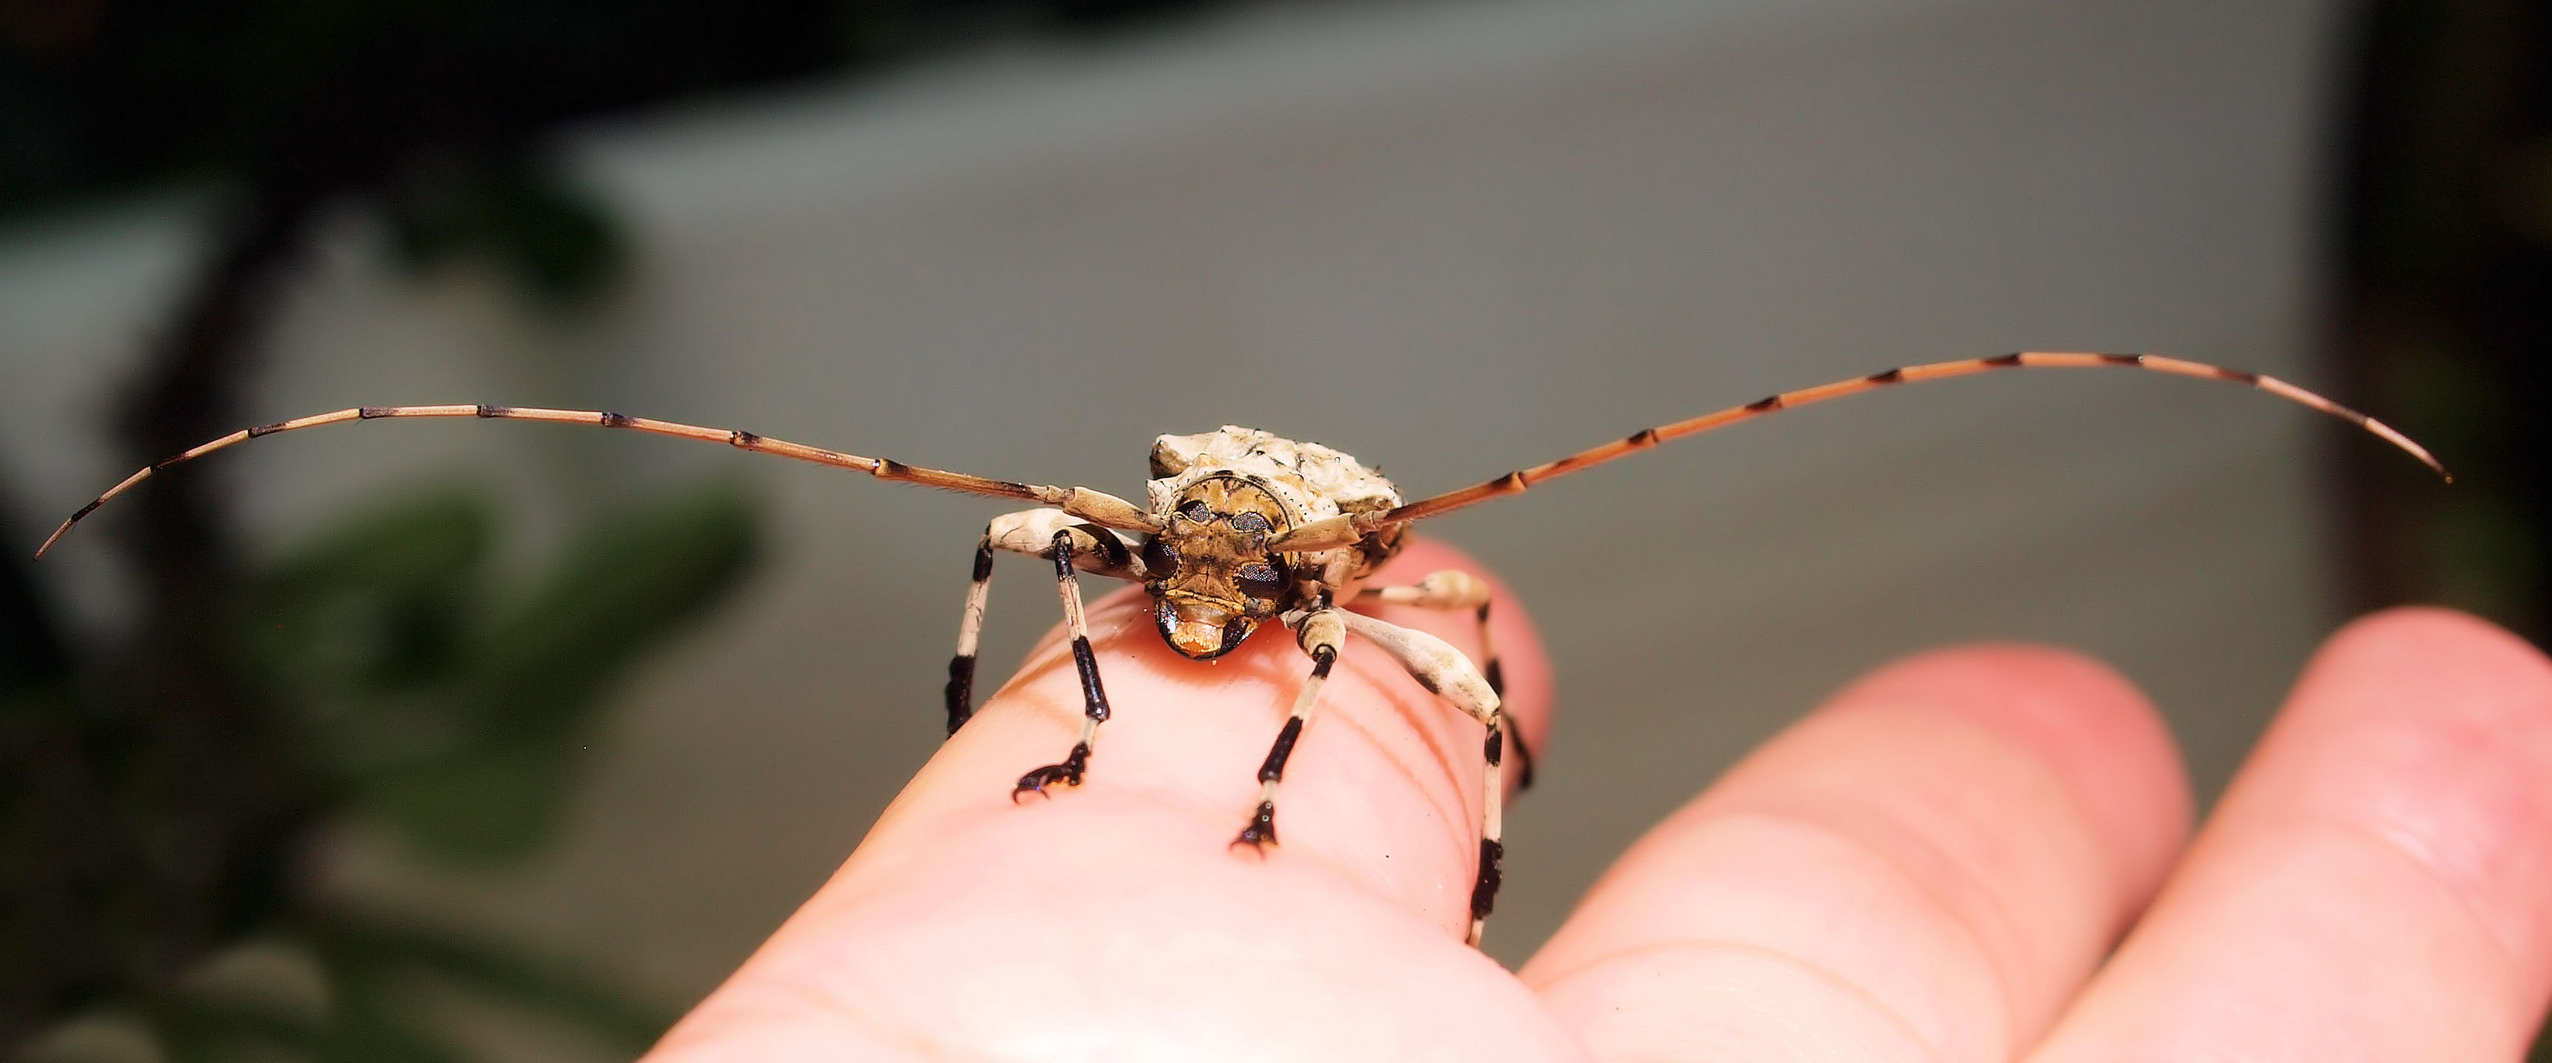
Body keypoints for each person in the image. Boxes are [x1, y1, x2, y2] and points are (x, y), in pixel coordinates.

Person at [641, 539, 2552, 1061]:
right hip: (1219, 510)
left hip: (1325, 536)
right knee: (1010, 542)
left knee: (1452, 688)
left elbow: (1415, 641)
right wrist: (1052, 727)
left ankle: (1480, 852)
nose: (1207, 634)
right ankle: (1024, 734)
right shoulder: (1143, 572)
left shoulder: (1356, 608)